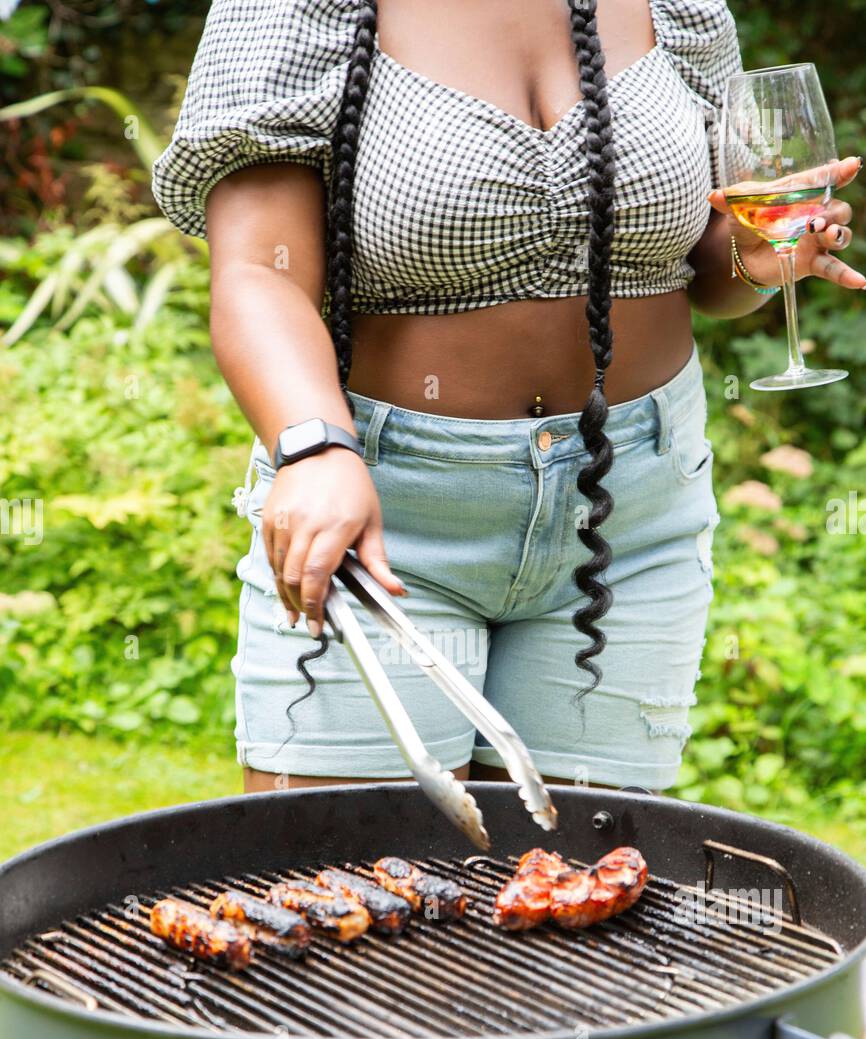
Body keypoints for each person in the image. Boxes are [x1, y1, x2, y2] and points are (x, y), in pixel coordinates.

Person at [151, 0, 862, 795]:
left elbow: (701, 260)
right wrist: (312, 444)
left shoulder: (679, 8)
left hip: (631, 517)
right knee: (350, 892)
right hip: (385, 518)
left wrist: (754, 258)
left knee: (582, 892)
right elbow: (259, 271)